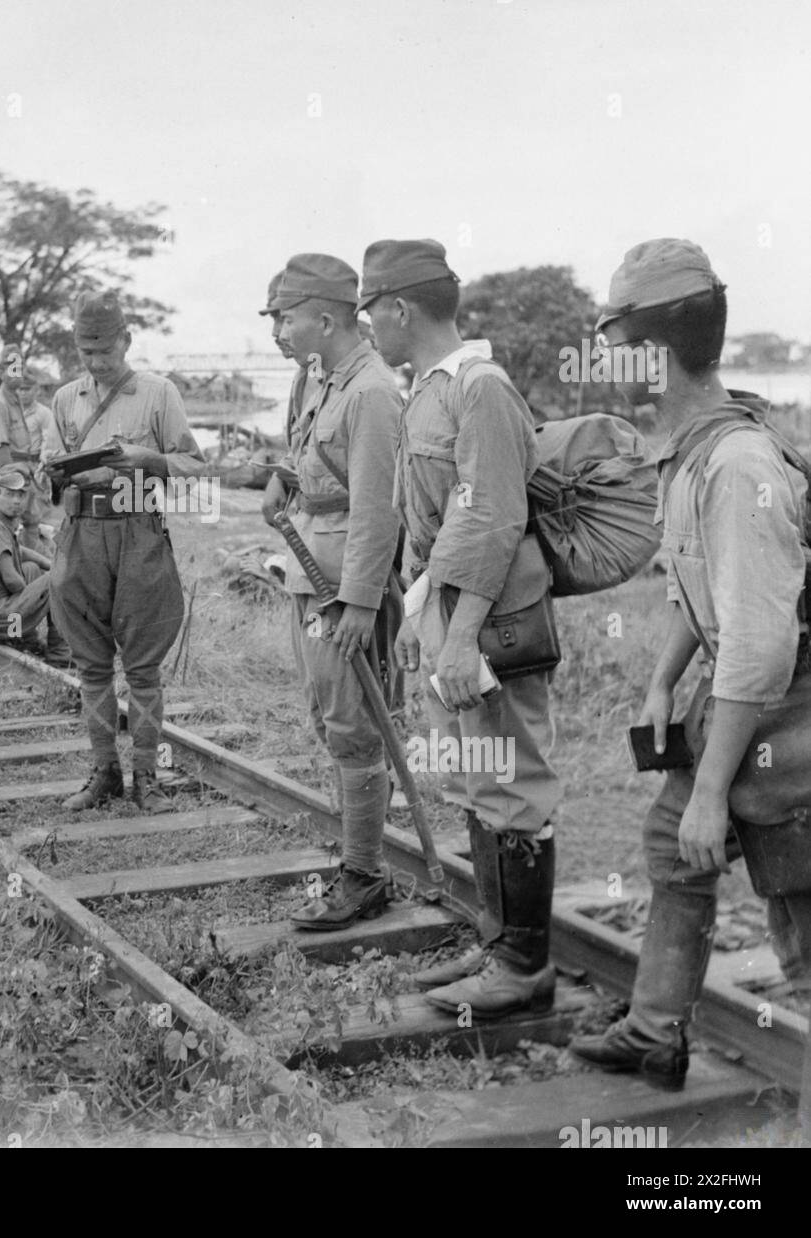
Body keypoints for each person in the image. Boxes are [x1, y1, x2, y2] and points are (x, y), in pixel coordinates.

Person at [569, 240, 811, 1088]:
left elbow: (760, 643)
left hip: (790, 713)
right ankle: (655, 1031)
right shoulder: (693, 446)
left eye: (613, 340)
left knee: (799, 920)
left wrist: (713, 792)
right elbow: (693, 586)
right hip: (746, 699)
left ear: (654, 352)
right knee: (673, 846)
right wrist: (665, 677)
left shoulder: (737, 464)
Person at [364, 238, 560, 1019]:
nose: (371, 325)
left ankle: (524, 966)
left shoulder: (480, 389)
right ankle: (498, 942)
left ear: (399, 309)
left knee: (513, 778)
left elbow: (492, 516)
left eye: (373, 310)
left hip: (493, 619)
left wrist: (461, 630)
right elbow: (430, 524)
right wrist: (423, 617)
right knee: (479, 775)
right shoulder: (429, 392)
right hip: (451, 613)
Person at [270, 255, 405, 929]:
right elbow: (315, 466)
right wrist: (283, 477)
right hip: (308, 574)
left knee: (354, 729)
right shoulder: (324, 383)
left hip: (342, 590)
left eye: (288, 317)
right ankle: (358, 862)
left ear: (325, 319)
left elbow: (379, 509)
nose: (282, 329)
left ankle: (363, 877)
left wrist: (358, 602)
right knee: (329, 721)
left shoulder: (372, 392)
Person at [43, 290, 205, 815]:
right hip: (82, 532)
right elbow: (48, 468)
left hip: (138, 531)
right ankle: (104, 773)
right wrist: (59, 472)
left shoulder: (159, 393)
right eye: (86, 353)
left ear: (127, 341)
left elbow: (193, 466)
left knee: (142, 667)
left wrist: (146, 459)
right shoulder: (65, 399)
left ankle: (148, 778)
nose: (95, 363)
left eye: (105, 351)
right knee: (90, 663)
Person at [0, 465, 71, 661]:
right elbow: (12, 581)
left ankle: (25, 640)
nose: (17, 501)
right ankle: (59, 653)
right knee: (57, 581)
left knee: (32, 569)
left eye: (21, 495)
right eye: (9, 494)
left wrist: (50, 565)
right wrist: (36, 593)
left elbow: (20, 551)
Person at [0, 344, 57, 554]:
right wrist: (20, 480)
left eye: (19, 366)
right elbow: (3, 453)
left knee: (32, 524)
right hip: (9, 476)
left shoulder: (15, 399)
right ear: (0, 372)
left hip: (25, 471)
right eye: (11, 366)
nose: (17, 372)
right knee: (6, 529)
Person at [259, 270, 311, 529]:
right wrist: (279, 479)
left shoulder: (363, 383)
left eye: (285, 319)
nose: (276, 333)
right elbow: (303, 444)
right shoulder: (306, 374)